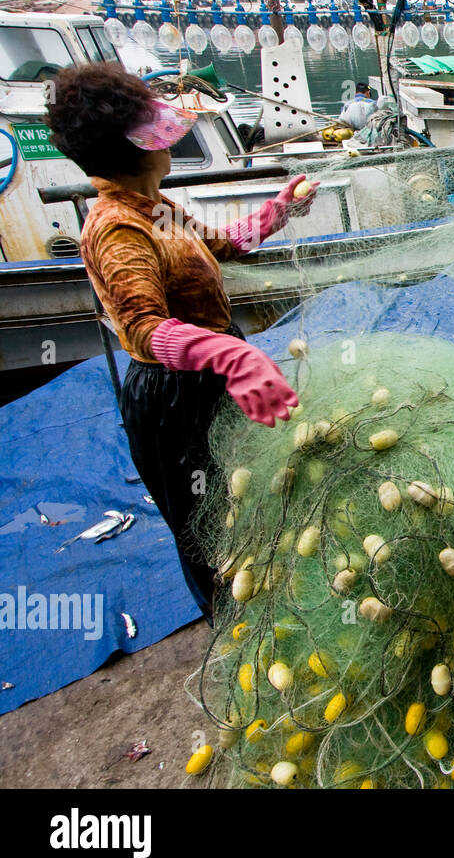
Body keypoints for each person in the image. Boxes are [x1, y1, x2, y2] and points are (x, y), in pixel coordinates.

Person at [45, 63, 316, 623]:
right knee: (211, 529)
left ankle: (274, 607)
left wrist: (278, 210)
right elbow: (143, 328)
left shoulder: (154, 207)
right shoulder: (118, 225)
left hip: (215, 376)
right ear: (141, 147)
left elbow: (220, 245)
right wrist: (232, 355)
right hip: (174, 397)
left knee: (251, 502)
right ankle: (236, 632)